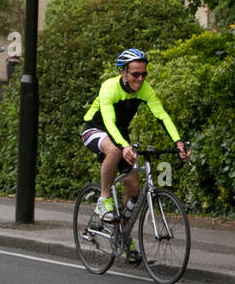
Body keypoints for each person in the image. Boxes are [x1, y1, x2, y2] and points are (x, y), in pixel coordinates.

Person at [80, 48, 190, 265]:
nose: (140, 79)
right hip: (95, 129)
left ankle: (122, 237)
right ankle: (104, 198)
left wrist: (178, 142)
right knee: (114, 149)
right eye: (135, 75)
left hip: (120, 134)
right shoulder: (109, 87)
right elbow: (109, 122)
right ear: (123, 73)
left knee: (133, 190)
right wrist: (124, 145)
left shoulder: (144, 90)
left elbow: (162, 115)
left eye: (144, 74)